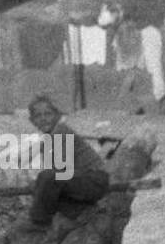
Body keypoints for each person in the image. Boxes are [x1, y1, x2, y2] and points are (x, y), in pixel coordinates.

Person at [25, 94, 111, 228]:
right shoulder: (47, 142)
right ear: (32, 121)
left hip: (93, 180)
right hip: (77, 181)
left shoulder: (61, 132)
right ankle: (78, 212)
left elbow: (57, 172)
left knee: (46, 179)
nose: (43, 119)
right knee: (45, 183)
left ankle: (38, 222)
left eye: (48, 114)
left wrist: (39, 188)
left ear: (57, 116)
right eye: (38, 116)